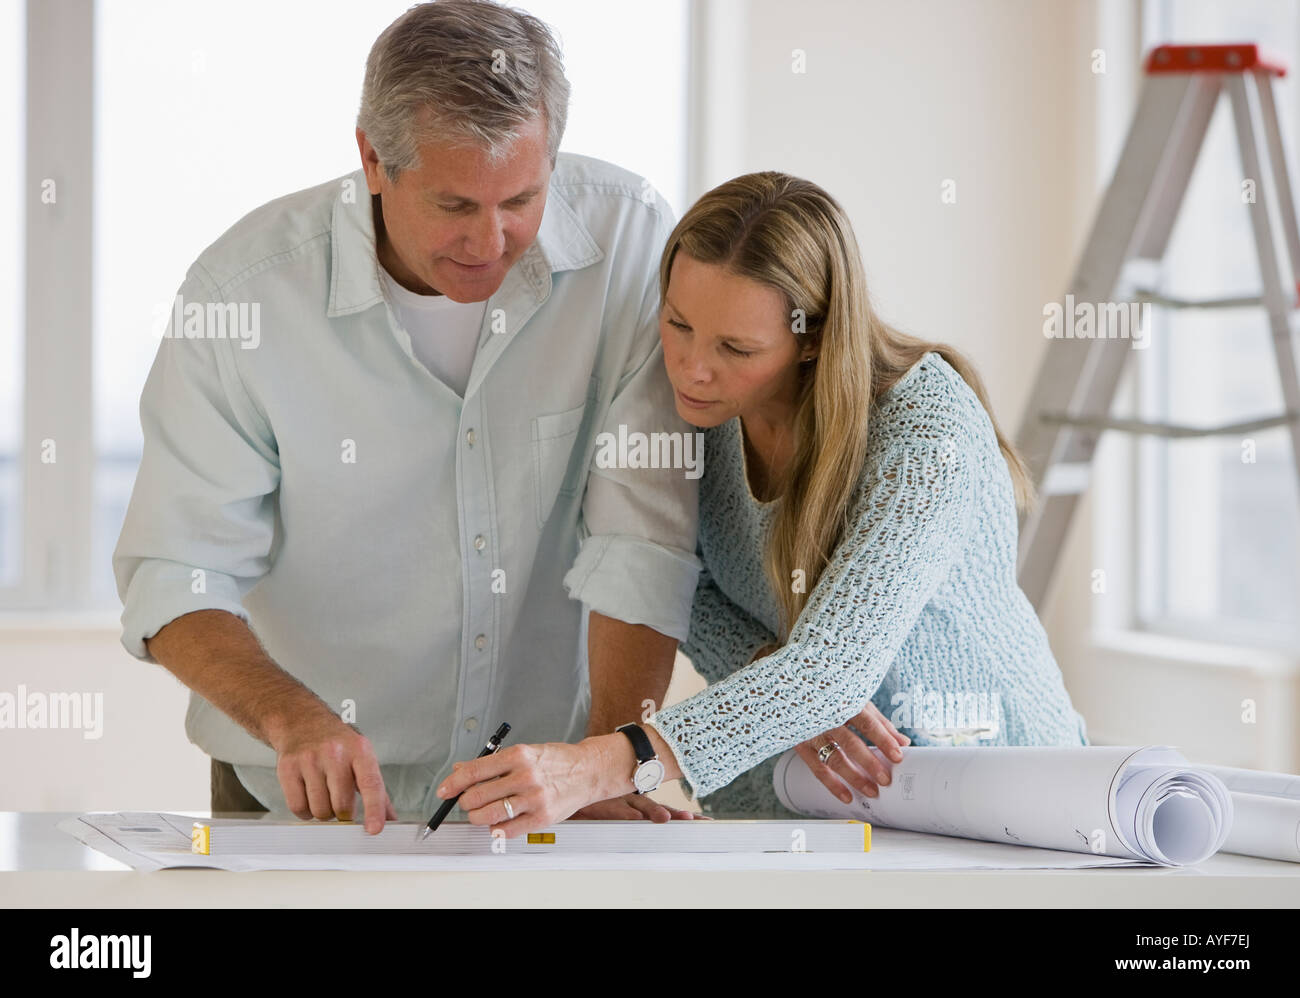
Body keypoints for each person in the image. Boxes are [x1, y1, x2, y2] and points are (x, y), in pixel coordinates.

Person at [112, 0, 704, 832]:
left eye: (522, 198)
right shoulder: (241, 295)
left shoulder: (632, 241)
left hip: (544, 798)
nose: (491, 241)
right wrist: (293, 716)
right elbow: (175, 573)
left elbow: (642, 539)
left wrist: (608, 759)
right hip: (302, 804)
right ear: (373, 160)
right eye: (455, 205)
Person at [438, 171, 1091, 834]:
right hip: (818, 801)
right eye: (679, 324)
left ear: (812, 338)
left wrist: (601, 765)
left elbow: (830, 669)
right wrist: (772, 684)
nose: (692, 368)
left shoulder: (927, 431)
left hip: (1001, 792)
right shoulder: (696, 411)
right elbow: (684, 586)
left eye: (736, 348)